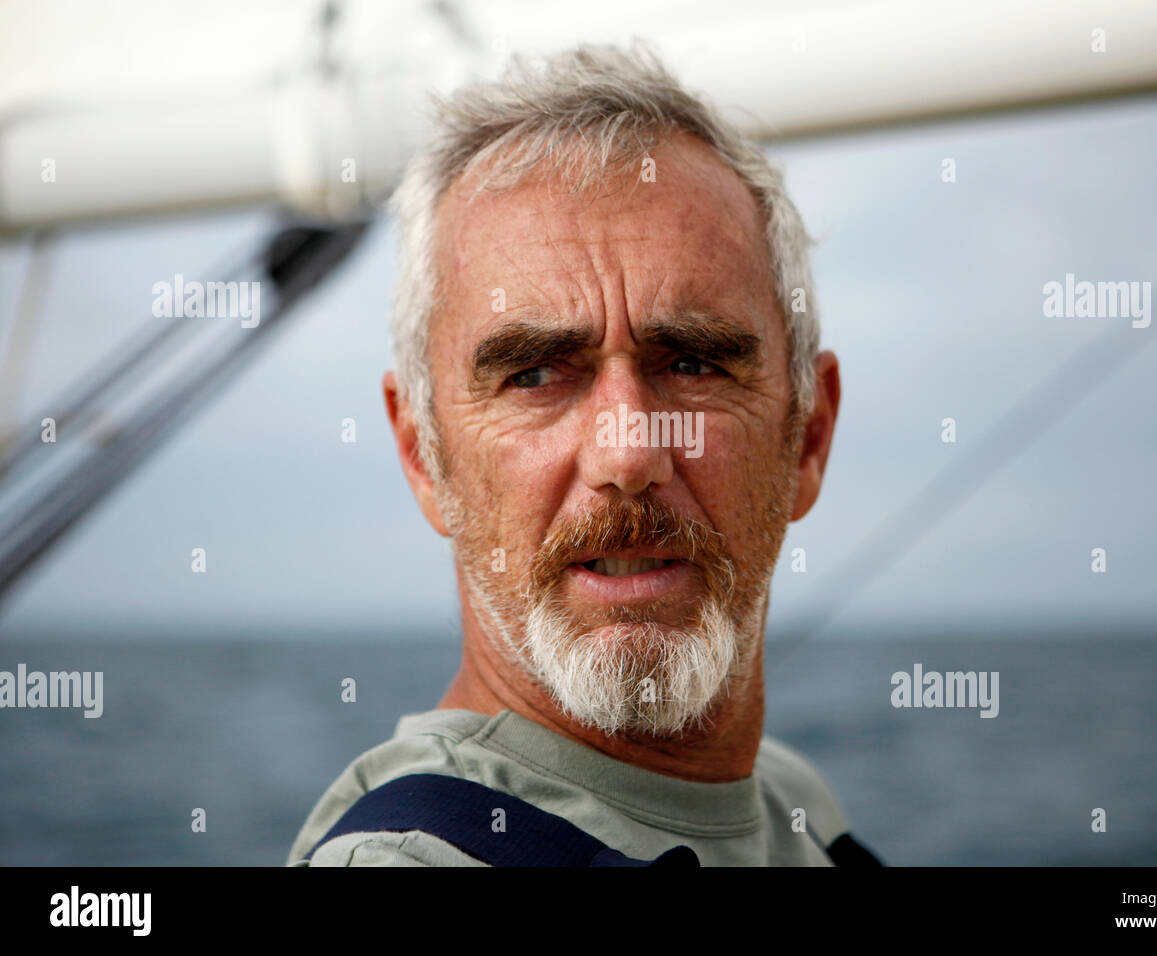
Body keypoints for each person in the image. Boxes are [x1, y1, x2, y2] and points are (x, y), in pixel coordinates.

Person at [287, 41, 878, 867]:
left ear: (808, 436)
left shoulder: (793, 808)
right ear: (423, 455)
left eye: (694, 362)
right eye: (533, 373)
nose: (628, 452)